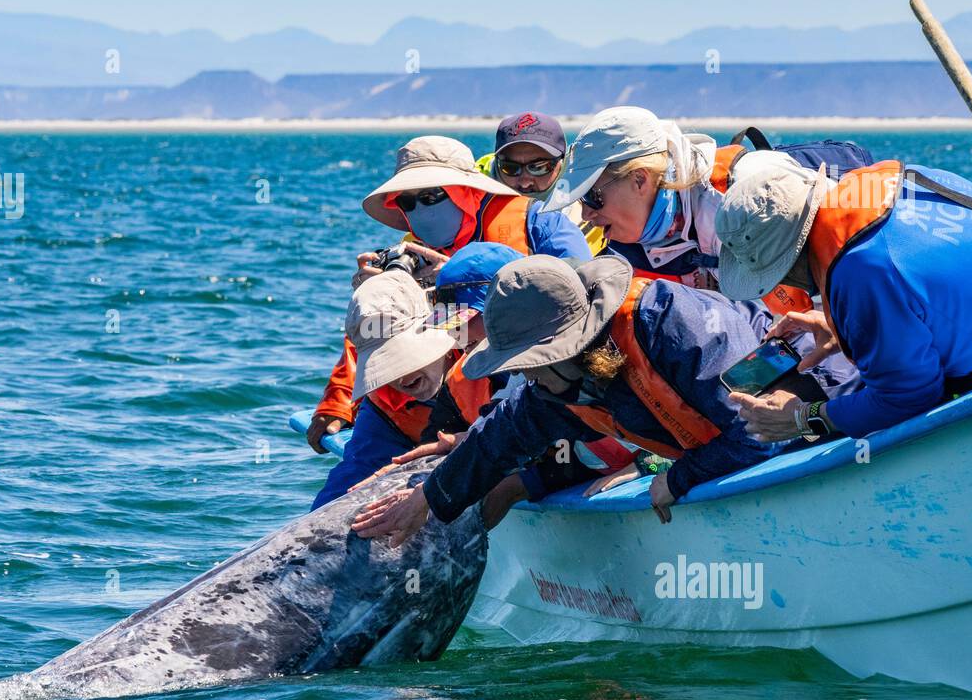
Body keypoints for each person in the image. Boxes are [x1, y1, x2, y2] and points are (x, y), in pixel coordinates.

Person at [351, 255, 856, 545]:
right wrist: (427, 499)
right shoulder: (558, 382)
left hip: (830, 423)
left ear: (573, 344)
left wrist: (674, 479)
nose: (526, 380)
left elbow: (759, 430)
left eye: (531, 363)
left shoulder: (679, 327)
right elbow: (499, 439)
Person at [712, 160, 972, 442]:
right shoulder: (905, 180)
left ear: (790, 260)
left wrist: (803, 419)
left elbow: (907, 398)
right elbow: (939, 287)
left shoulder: (862, 271)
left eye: (777, 275)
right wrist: (845, 328)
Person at [308, 135, 590, 454]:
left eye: (431, 196)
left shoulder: (537, 223)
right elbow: (375, 333)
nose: (419, 209)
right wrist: (340, 399)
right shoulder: (409, 253)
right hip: (417, 402)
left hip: (513, 386)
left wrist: (456, 280)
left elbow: (581, 299)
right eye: (407, 201)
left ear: (466, 191)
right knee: (353, 481)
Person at [542, 106, 813, 315]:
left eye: (592, 195)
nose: (586, 213)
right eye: (579, 199)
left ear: (640, 179)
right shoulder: (630, 247)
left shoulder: (748, 195)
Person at [311, 271, 458, 510]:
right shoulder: (372, 324)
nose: (400, 376)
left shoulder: (465, 318)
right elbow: (366, 337)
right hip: (390, 419)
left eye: (404, 356)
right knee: (337, 501)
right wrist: (339, 399)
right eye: (385, 364)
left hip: (467, 416)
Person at [475, 112, 605, 254]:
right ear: (496, 164)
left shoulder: (593, 210)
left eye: (539, 167)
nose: (524, 182)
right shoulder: (471, 198)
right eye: (510, 168)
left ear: (562, 163)